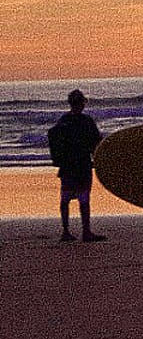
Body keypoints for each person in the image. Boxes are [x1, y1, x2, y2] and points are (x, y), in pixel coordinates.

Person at [48, 90, 105, 242]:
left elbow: (53, 137)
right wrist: (99, 157)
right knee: (83, 198)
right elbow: (97, 142)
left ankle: (66, 231)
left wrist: (58, 159)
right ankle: (85, 232)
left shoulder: (63, 121)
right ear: (81, 103)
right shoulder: (86, 121)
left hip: (68, 165)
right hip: (81, 165)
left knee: (67, 198)